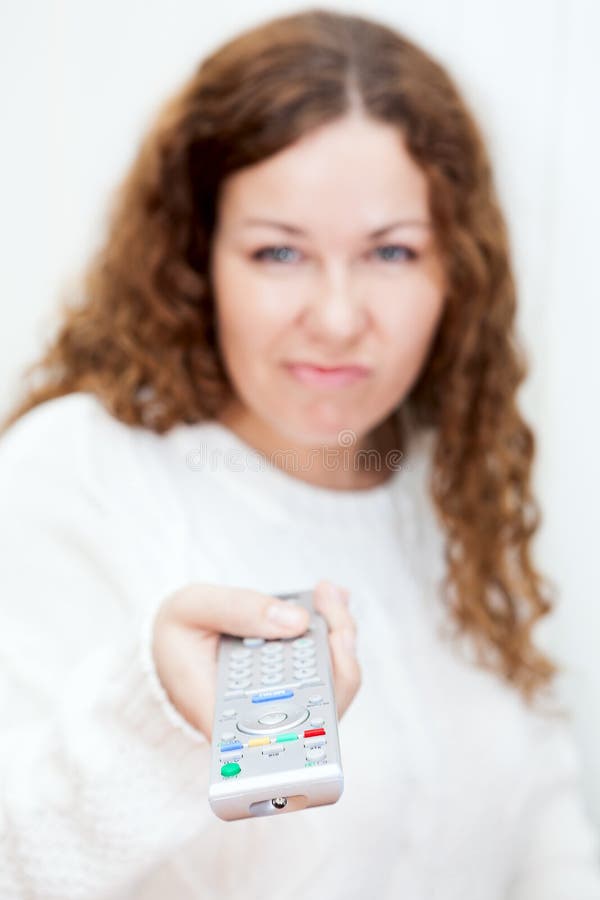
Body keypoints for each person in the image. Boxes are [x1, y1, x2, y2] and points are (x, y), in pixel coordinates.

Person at [0, 7, 599, 899]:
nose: (336, 317)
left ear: (457, 273)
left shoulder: (451, 476)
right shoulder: (77, 469)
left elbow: (539, 803)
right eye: (279, 251)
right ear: (197, 256)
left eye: (391, 252)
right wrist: (155, 717)